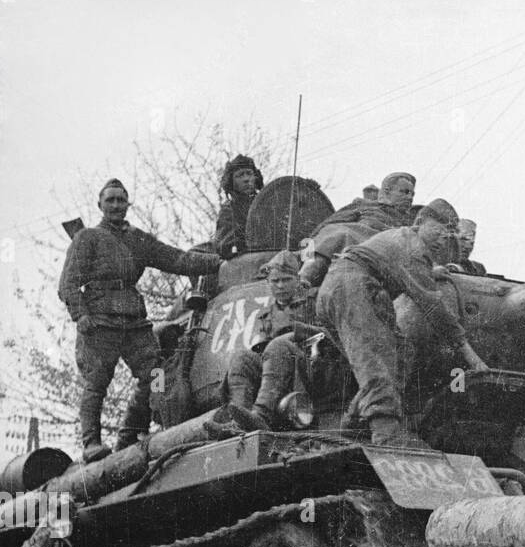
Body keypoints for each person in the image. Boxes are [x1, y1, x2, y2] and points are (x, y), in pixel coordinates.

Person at [58, 178, 221, 460]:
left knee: (156, 374)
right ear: (100, 205)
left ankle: (135, 429)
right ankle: (91, 443)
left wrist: (217, 262)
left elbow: (177, 260)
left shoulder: (138, 239)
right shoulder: (88, 238)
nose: (116, 206)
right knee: (97, 381)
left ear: (128, 203)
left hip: (133, 321)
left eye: (121, 200)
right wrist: (80, 314)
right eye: (110, 201)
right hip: (99, 321)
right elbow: (68, 284)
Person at [315, 198, 488, 446]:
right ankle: (386, 434)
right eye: (439, 230)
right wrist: (471, 356)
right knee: (377, 358)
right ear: (420, 223)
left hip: (351, 287)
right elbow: (433, 306)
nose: (443, 238)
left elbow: (397, 265)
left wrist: (429, 273)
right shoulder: (413, 248)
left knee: (401, 351)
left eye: (449, 234)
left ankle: (354, 423)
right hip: (353, 287)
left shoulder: (406, 241)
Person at [225, 250, 320, 426]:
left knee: (278, 346)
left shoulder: (314, 301)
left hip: (310, 364)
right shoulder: (267, 316)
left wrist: (295, 335)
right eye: (275, 281)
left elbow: (326, 334)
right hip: (278, 368)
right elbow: (262, 348)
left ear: (297, 280)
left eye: (286, 280)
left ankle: (261, 415)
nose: (280, 285)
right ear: (268, 283)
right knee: (241, 358)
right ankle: (239, 421)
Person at [214, 154, 264, 259]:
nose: (246, 179)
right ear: (231, 182)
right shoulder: (229, 210)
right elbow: (225, 245)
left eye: (249, 174)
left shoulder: (267, 204)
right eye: (240, 175)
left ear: (256, 177)